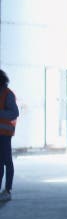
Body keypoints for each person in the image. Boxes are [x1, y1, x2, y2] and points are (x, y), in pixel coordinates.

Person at [0, 70, 19, 202]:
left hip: (5, 134)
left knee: (7, 162)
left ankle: (8, 190)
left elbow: (14, 113)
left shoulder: (8, 94)